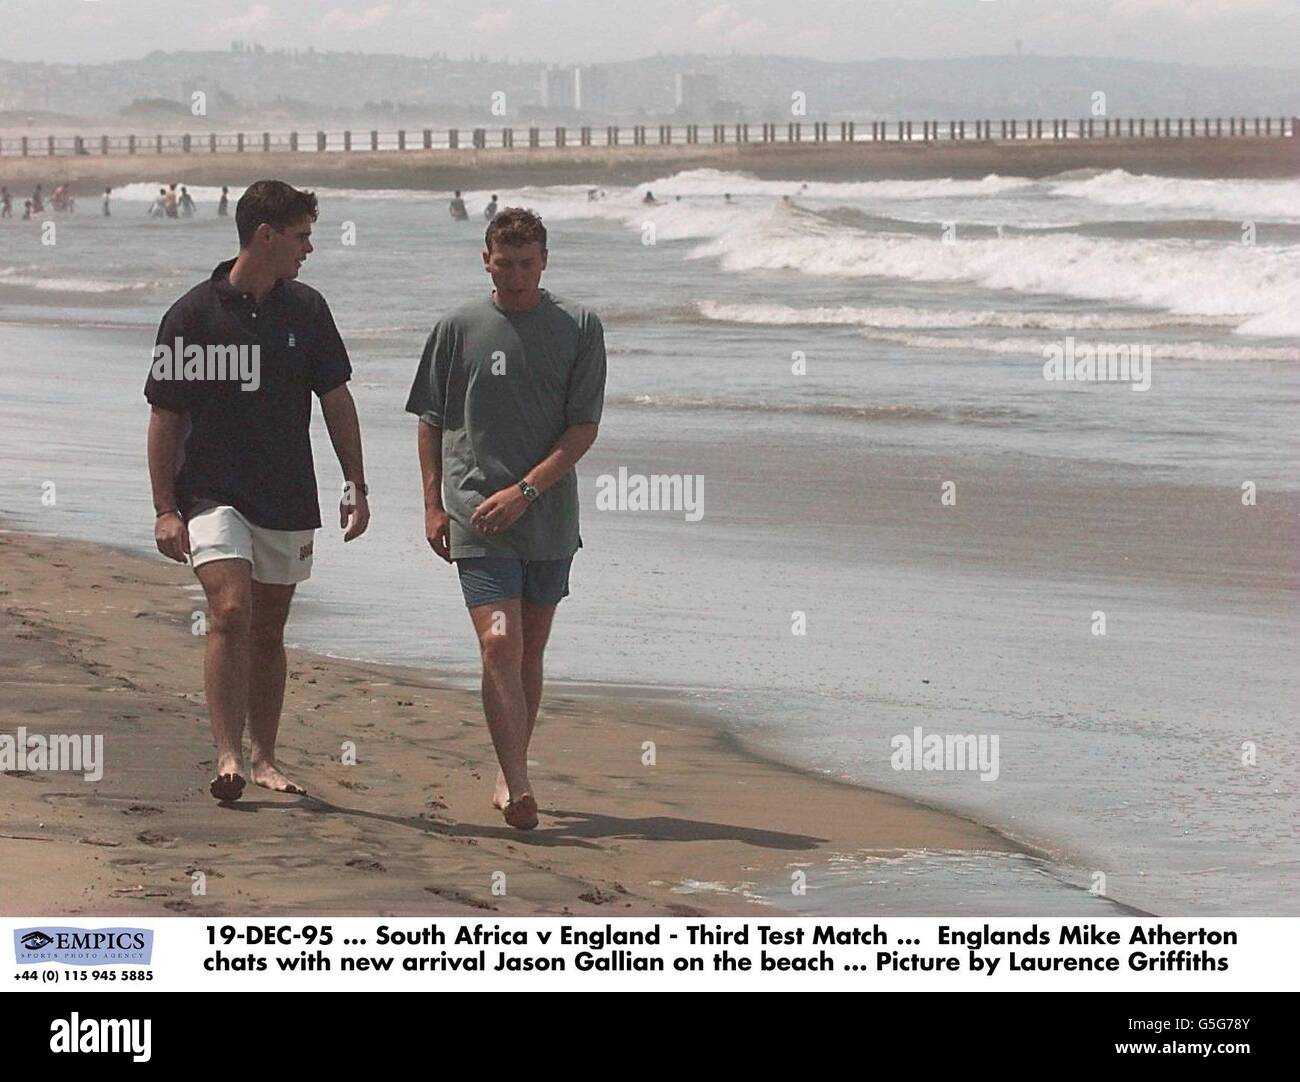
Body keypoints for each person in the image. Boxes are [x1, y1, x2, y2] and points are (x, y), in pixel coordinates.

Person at [145, 179, 370, 802]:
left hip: (288, 492)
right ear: (265, 236)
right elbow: (164, 417)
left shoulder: (307, 310)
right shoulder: (192, 315)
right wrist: (166, 508)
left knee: (269, 632)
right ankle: (227, 756)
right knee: (231, 611)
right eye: (301, 237)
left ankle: (266, 758)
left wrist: (355, 480)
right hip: (210, 493)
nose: (309, 249)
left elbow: (336, 398)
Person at [406, 207, 606, 831]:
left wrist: (526, 490)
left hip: (547, 518)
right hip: (476, 516)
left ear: (544, 261)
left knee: (528, 655)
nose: (515, 275)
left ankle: (506, 767)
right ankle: (520, 786)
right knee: (499, 642)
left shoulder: (577, 326)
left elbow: (582, 429)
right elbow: (431, 420)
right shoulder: (457, 327)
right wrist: (434, 502)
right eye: (504, 262)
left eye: (527, 263)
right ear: (485, 258)